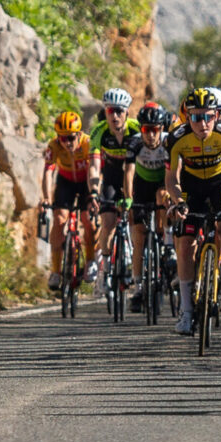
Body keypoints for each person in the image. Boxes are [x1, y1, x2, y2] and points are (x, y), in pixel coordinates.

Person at [162, 88, 221, 335]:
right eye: (196, 117)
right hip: (191, 185)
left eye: (208, 116)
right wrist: (178, 201)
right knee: (185, 244)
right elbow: (171, 178)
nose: (203, 123)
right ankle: (186, 311)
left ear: (217, 115)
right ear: (188, 117)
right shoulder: (176, 138)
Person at [87, 88, 140, 293]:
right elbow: (94, 166)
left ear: (127, 112)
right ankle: (105, 268)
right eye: (110, 111)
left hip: (134, 176)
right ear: (105, 112)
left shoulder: (136, 130)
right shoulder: (99, 132)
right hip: (110, 176)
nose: (115, 116)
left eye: (119, 111)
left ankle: (135, 261)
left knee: (135, 219)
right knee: (108, 222)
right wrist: (93, 191)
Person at [124, 102, 175, 305]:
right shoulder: (135, 143)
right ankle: (138, 287)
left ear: (161, 128)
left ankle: (168, 243)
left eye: (155, 130)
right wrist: (128, 199)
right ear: (141, 129)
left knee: (162, 195)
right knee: (139, 235)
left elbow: (175, 171)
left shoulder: (169, 142)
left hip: (163, 182)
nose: (151, 135)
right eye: (146, 130)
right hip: (142, 184)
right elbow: (128, 174)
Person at [43, 111, 95, 293]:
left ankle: (90, 261)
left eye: (71, 138)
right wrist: (47, 198)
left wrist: (94, 194)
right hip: (66, 182)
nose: (67, 143)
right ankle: (55, 271)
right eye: (63, 138)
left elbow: (96, 169)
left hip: (86, 182)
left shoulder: (88, 143)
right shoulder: (53, 146)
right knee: (59, 220)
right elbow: (48, 172)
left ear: (79, 134)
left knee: (88, 220)